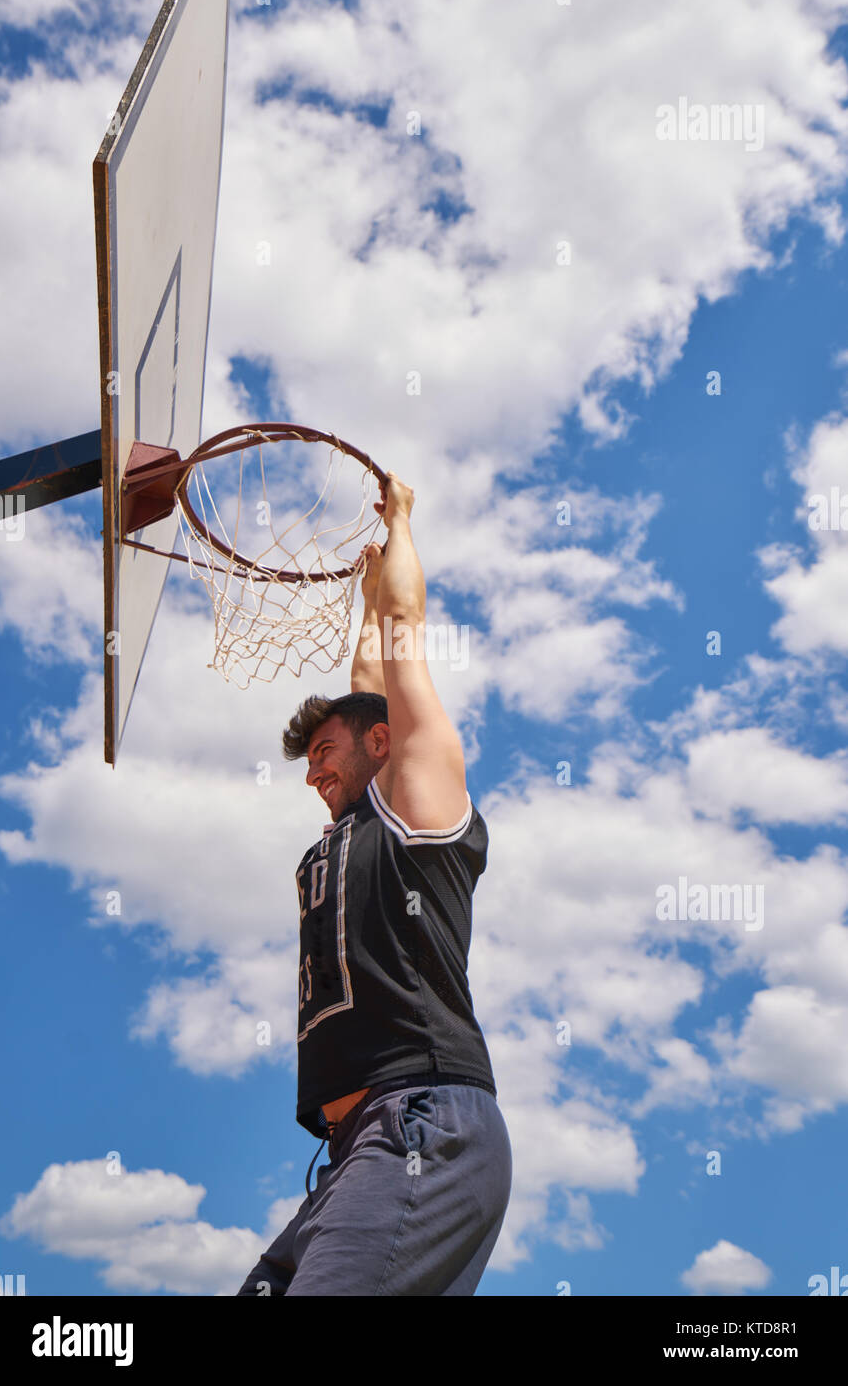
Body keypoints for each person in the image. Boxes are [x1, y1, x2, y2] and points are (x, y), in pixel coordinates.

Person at [236, 471, 511, 1296]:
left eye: (325, 753)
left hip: (425, 1124)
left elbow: (399, 636)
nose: (311, 772)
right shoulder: (350, 829)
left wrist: (400, 524)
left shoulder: (418, 811)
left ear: (383, 743)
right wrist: (360, 595)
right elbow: (367, 666)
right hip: (360, 1150)